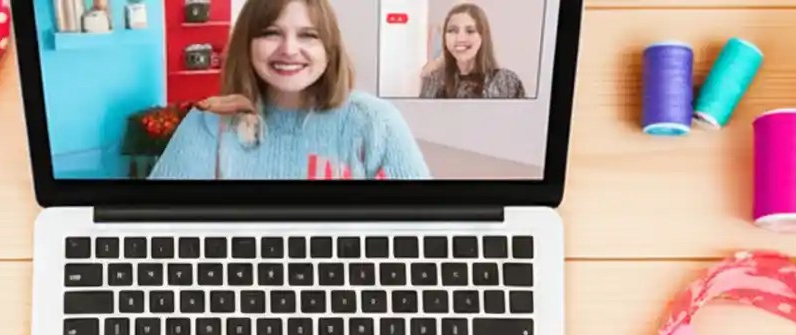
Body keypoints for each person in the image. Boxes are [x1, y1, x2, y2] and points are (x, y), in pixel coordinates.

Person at [149, 0, 431, 180]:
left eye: (308, 35)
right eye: (271, 33)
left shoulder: (375, 122)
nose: (289, 50)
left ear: (329, 49)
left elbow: (422, 228)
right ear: (247, 44)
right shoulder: (207, 123)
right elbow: (159, 228)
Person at [418, 3, 526, 99]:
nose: (460, 39)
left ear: (483, 36)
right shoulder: (434, 82)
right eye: (452, 31)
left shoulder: (505, 82)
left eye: (470, 31)